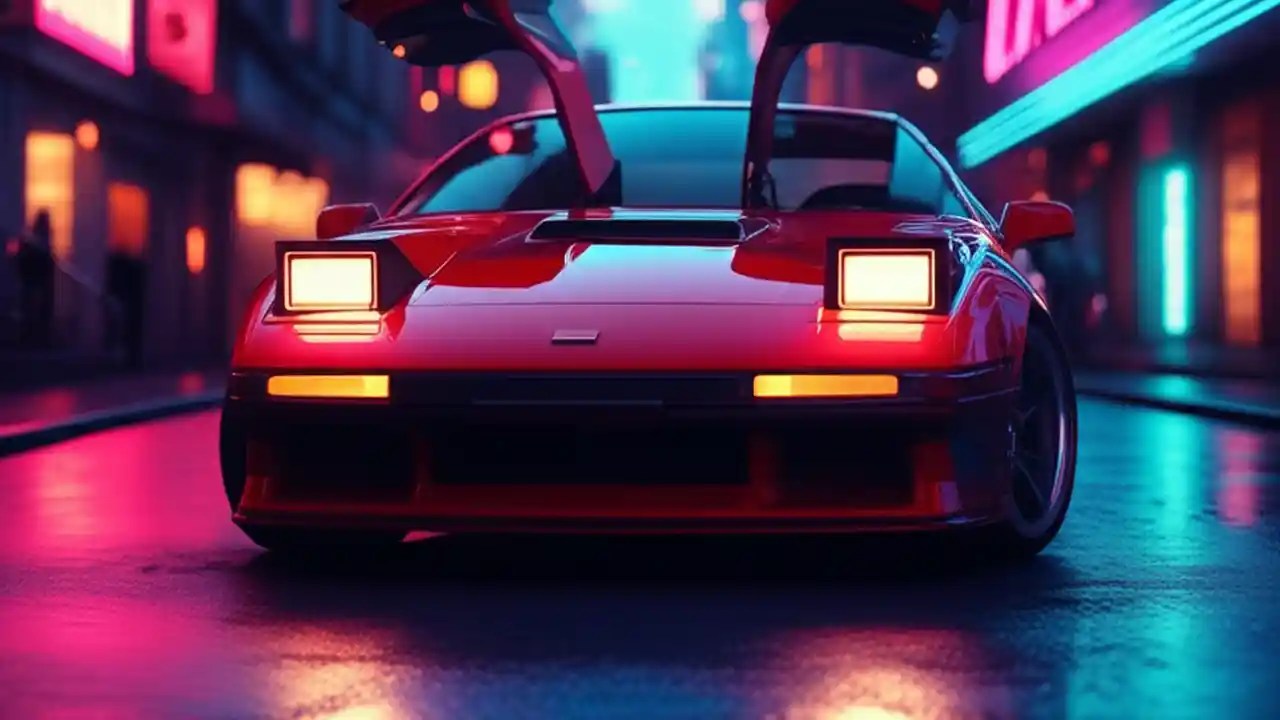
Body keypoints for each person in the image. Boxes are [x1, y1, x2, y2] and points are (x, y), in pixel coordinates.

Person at [15, 211, 55, 348]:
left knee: (35, 311)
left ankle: (35, 338)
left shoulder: (39, 241)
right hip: (35, 281)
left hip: (38, 281)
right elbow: (24, 260)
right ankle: (31, 339)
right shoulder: (32, 242)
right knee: (32, 311)